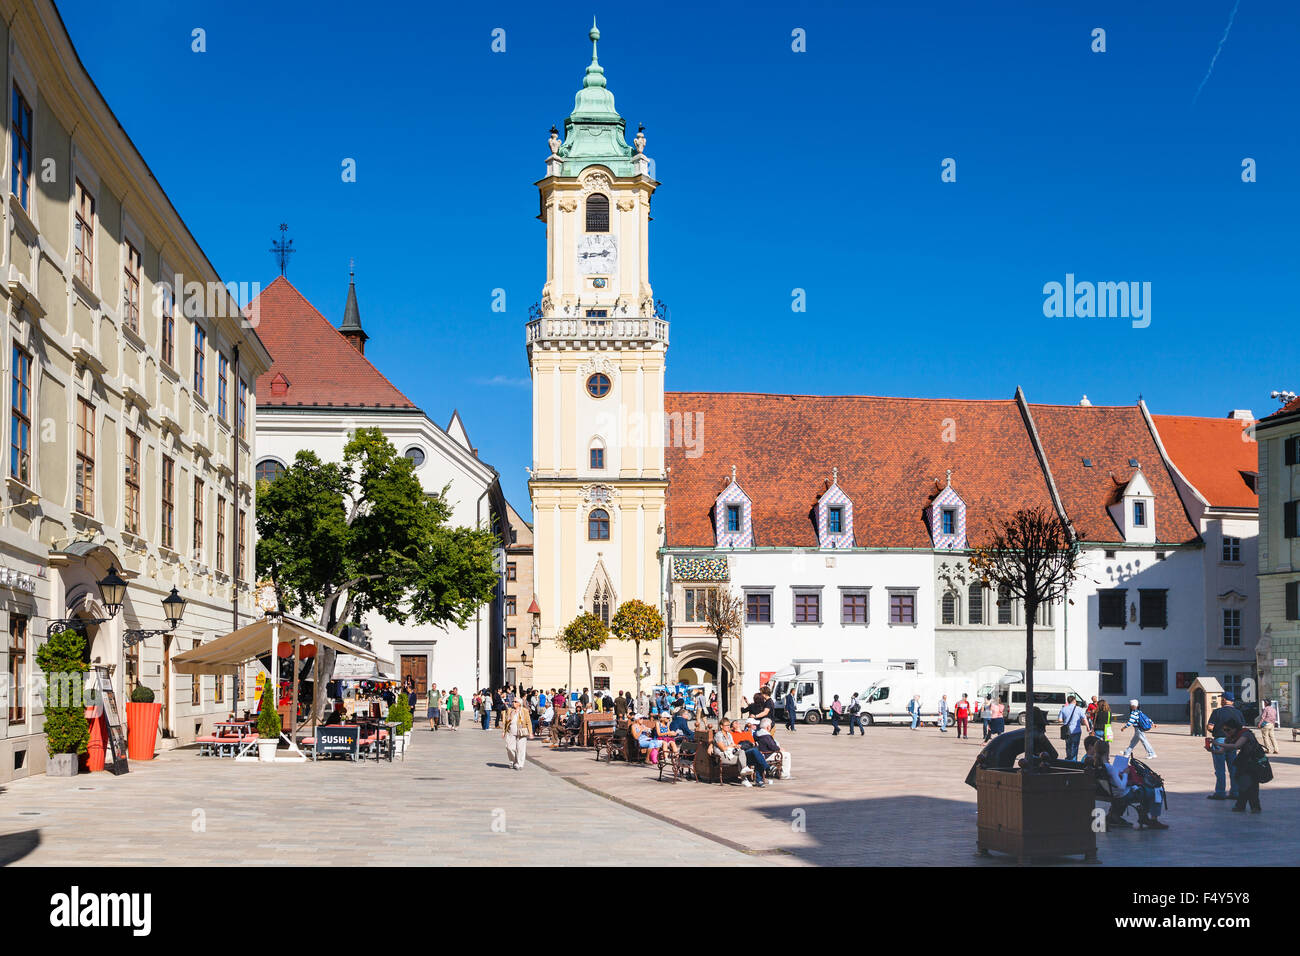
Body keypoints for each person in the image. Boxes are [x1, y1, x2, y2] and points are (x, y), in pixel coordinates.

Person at [1093, 739, 1167, 830]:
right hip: (1122, 794)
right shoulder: (1109, 768)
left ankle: (1138, 815)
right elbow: (1121, 787)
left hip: (1110, 792)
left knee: (1146, 789)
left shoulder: (1096, 765)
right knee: (1156, 791)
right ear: (1107, 752)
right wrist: (1125, 774)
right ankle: (1152, 819)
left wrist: (1118, 775)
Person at [1214, 717, 1267, 813]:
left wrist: (1218, 743)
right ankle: (1241, 805)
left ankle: (1254, 807)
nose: (1226, 732)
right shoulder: (1230, 736)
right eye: (1224, 730)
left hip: (1254, 760)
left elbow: (1236, 746)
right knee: (1242, 784)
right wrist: (1211, 750)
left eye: (1228, 730)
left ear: (1234, 728)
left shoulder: (1245, 734)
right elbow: (1221, 752)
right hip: (1244, 760)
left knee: (1252, 785)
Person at [1206, 692, 1244, 800]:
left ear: (1224, 700)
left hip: (1220, 741)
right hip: (1232, 742)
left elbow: (1210, 727)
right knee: (1233, 768)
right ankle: (1235, 792)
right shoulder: (1238, 713)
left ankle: (1220, 793)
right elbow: (1242, 728)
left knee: (1220, 769)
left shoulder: (1217, 712)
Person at [713, 719, 761, 787]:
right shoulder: (718, 735)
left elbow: (733, 745)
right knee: (742, 759)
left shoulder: (729, 734)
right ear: (721, 726)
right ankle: (744, 779)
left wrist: (736, 746)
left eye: (729, 725)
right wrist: (732, 745)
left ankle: (744, 771)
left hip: (731, 753)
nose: (728, 727)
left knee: (742, 751)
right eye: (726, 725)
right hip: (722, 755)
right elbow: (723, 748)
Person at [502, 697, 532, 770]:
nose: (513, 703)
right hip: (511, 732)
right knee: (509, 748)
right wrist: (504, 731)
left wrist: (530, 732)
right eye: (513, 701)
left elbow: (528, 722)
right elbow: (505, 722)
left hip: (521, 732)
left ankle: (519, 764)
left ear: (519, 703)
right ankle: (512, 761)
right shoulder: (510, 710)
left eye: (515, 701)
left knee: (520, 749)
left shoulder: (524, 711)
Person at [1058, 694, 1089, 761]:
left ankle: (1068, 759)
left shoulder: (1063, 709)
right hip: (1076, 731)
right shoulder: (1079, 709)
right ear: (1074, 701)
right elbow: (1084, 719)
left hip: (1067, 731)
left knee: (1068, 746)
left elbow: (1060, 720)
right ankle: (1073, 761)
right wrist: (1088, 727)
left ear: (1068, 701)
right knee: (1075, 747)